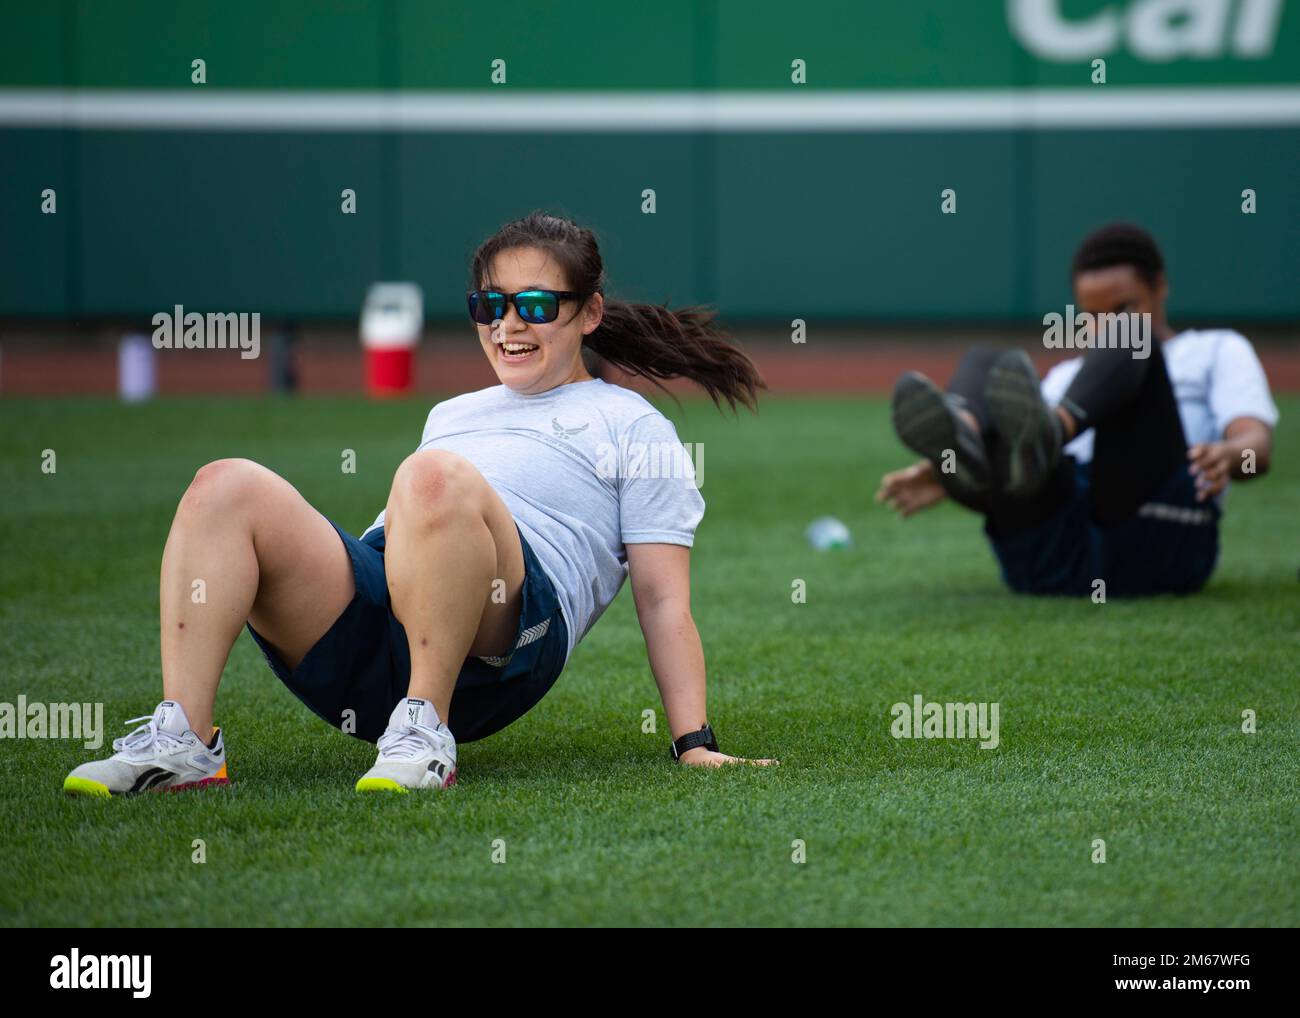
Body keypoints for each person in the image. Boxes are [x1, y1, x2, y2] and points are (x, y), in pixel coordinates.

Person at [65, 211, 775, 797]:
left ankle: (426, 732)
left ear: (588, 313)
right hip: (383, 619)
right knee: (223, 483)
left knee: (434, 477)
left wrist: (694, 743)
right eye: (488, 305)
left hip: (504, 641)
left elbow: (661, 600)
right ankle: (185, 741)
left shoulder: (633, 423)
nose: (507, 326)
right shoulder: (453, 413)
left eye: (534, 305)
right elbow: (408, 534)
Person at [876, 222, 1278, 597]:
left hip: (1156, 538)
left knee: (1131, 340)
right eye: (1093, 316)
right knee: (986, 362)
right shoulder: (1069, 375)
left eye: (1121, 309)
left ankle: (1051, 432)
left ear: (1160, 286)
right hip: (1054, 557)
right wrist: (949, 473)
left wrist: (1229, 455)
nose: (1104, 327)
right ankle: (965, 444)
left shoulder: (1216, 349)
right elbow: (1026, 459)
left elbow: (1255, 447)